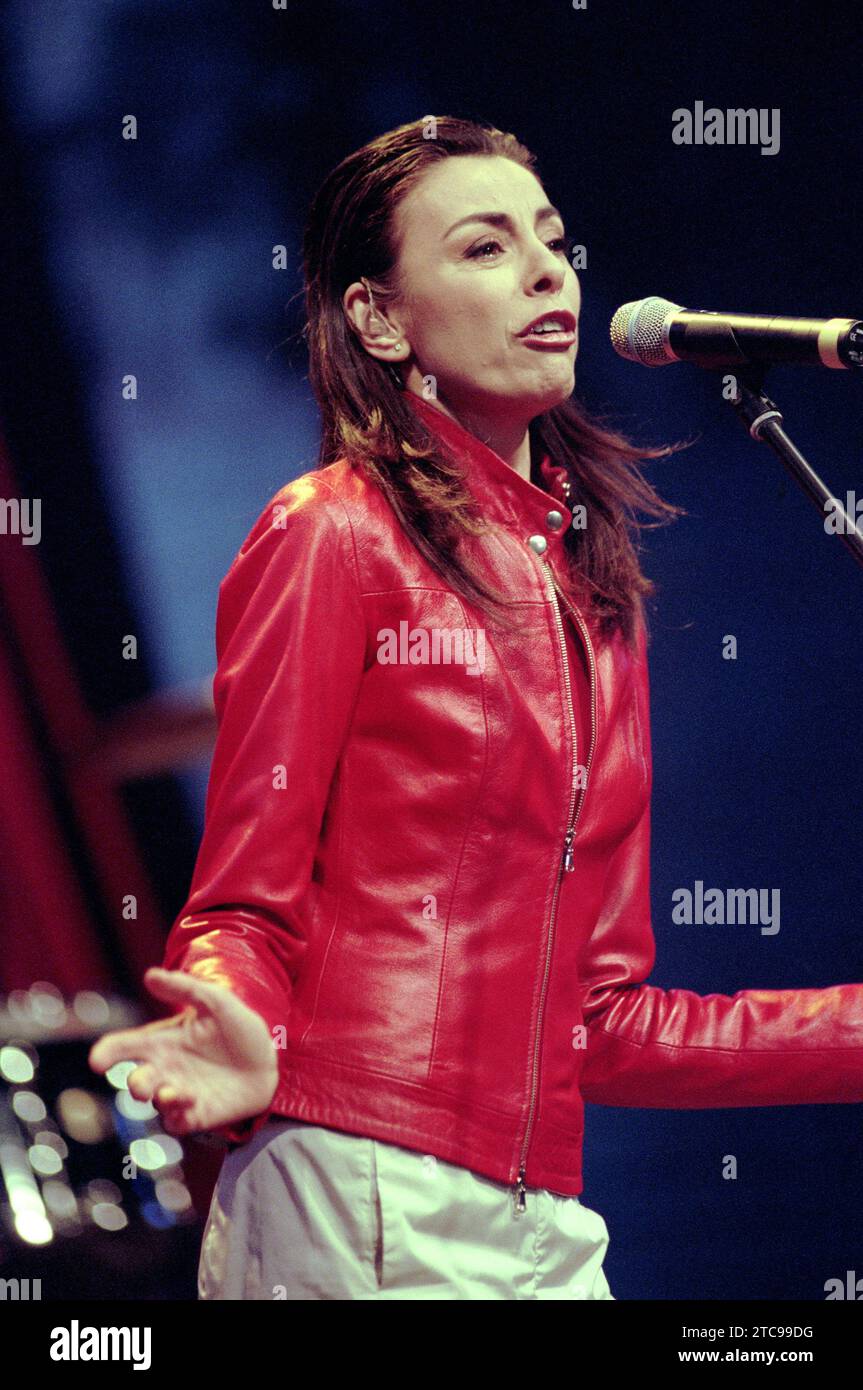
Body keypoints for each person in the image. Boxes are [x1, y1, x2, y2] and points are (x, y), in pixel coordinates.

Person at [89, 115, 863, 1301]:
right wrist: (236, 1012)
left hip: (541, 1218)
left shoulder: (594, 595)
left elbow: (603, 1022)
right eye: (485, 247)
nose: (549, 271)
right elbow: (244, 896)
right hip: (357, 1187)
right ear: (379, 318)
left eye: (551, 241)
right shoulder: (333, 532)